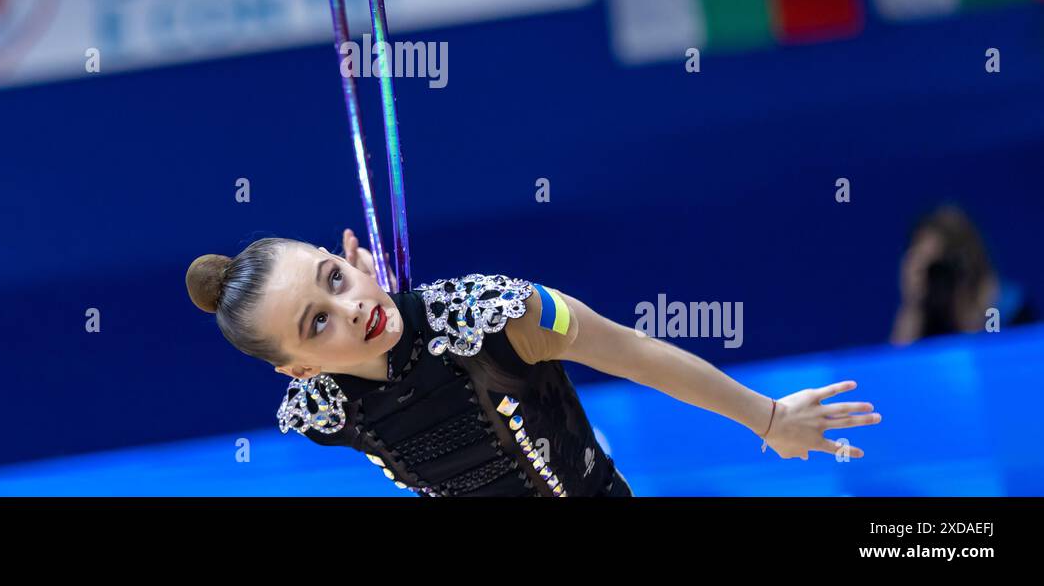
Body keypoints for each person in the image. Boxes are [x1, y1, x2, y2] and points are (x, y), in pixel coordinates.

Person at [188, 229, 883, 496]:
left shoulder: (494, 315)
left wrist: (766, 417)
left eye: (335, 276)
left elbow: (632, 352)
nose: (349, 307)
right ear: (298, 370)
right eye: (317, 323)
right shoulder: (319, 412)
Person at [891, 204, 1039, 345]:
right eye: (932, 269)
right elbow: (899, 365)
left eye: (943, 266)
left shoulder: (1005, 307)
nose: (940, 277)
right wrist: (912, 303)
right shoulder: (928, 318)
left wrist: (979, 304)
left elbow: (992, 355)